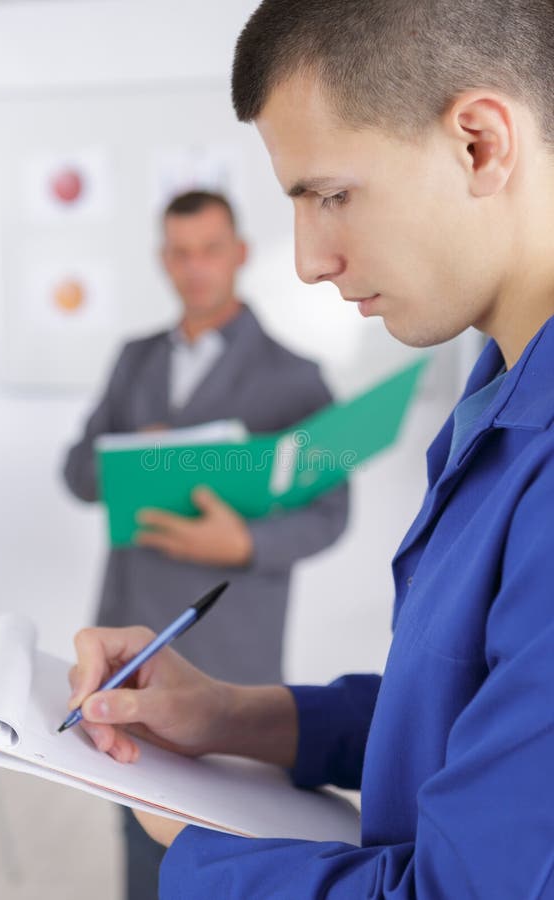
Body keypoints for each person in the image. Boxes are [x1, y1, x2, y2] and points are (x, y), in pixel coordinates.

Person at [64, 1, 554, 896]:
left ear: (480, 143)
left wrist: (199, 854)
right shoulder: (498, 399)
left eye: (332, 195)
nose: (309, 261)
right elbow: (460, 716)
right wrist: (231, 714)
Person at [62, 188, 349, 899]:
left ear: (240, 254)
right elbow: (76, 472)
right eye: (181, 253)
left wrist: (242, 542)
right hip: (132, 638)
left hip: (229, 646)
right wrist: (124, 455)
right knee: (135, 822)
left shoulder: (294, 377)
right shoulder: (133, 361)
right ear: (164, 260)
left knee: (224, 840)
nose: (196, 268)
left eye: (210, 250)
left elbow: (330, 514)